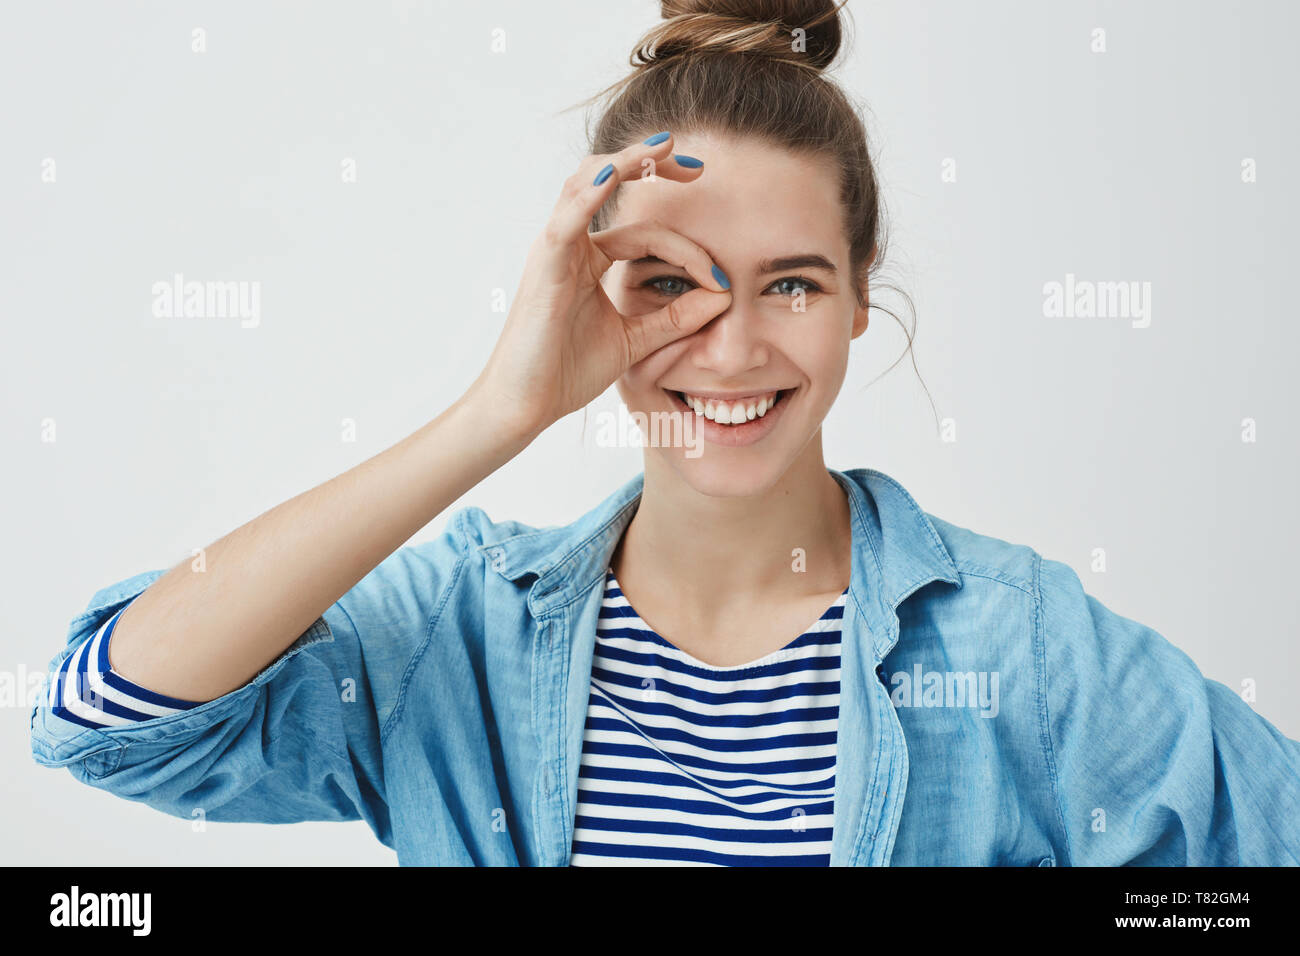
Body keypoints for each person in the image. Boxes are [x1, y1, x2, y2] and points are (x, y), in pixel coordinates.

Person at [30, 0, 1300, 866]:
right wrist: (499, 412)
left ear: (862, 293)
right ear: (592, 292)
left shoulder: (1019, 643)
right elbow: (102, 716)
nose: (735, 347)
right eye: (670, 282)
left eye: (792, 282)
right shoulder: (453, 630)